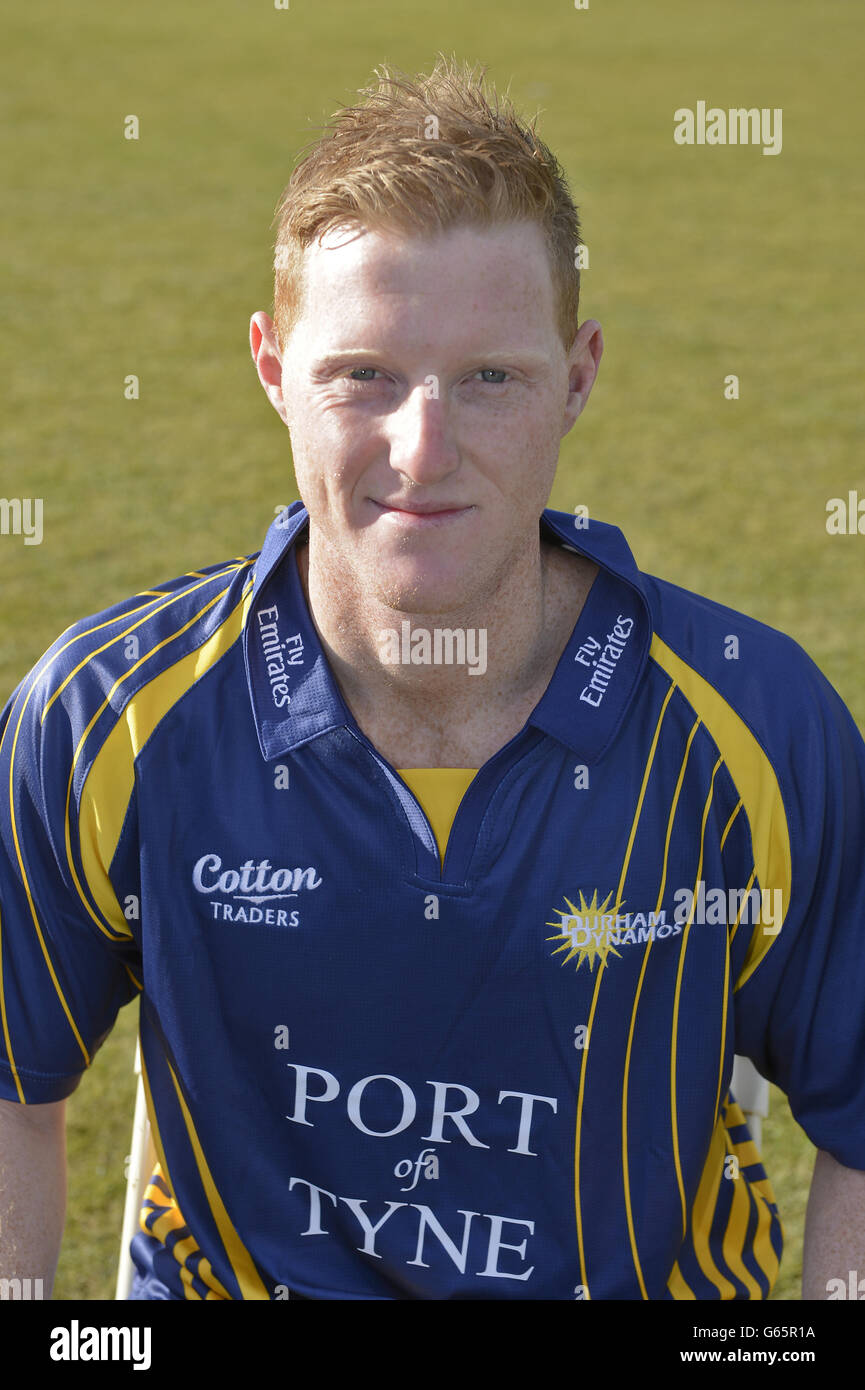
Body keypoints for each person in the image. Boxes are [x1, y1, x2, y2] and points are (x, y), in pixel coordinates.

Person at [1, 55, 863, 1303]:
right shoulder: (105, 719)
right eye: (364, 374)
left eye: (489, 378)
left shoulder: (756, 728)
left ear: (578, 376)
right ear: (270, 368)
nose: (423, 448)